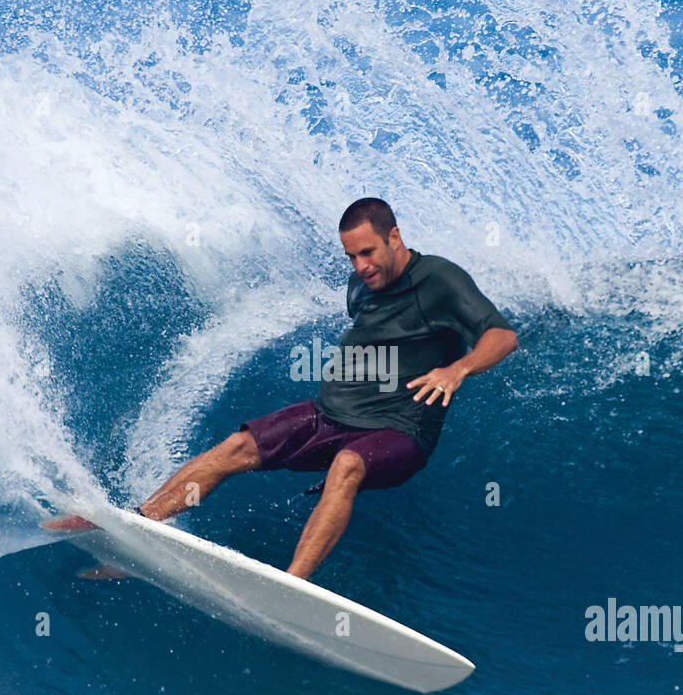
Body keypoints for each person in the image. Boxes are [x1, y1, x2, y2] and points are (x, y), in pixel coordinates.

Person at [51, 198, 518, 579]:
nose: (360, 266)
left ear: (394, 237)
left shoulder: (440, 280)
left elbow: (501, 335)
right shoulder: (361, 286)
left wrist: (457, 369)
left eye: (368, 252)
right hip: (332, 416)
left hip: (399, 429)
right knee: (237, 446)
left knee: (348, 465)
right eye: (351, 257)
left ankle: (292, 585)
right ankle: (140, 528)